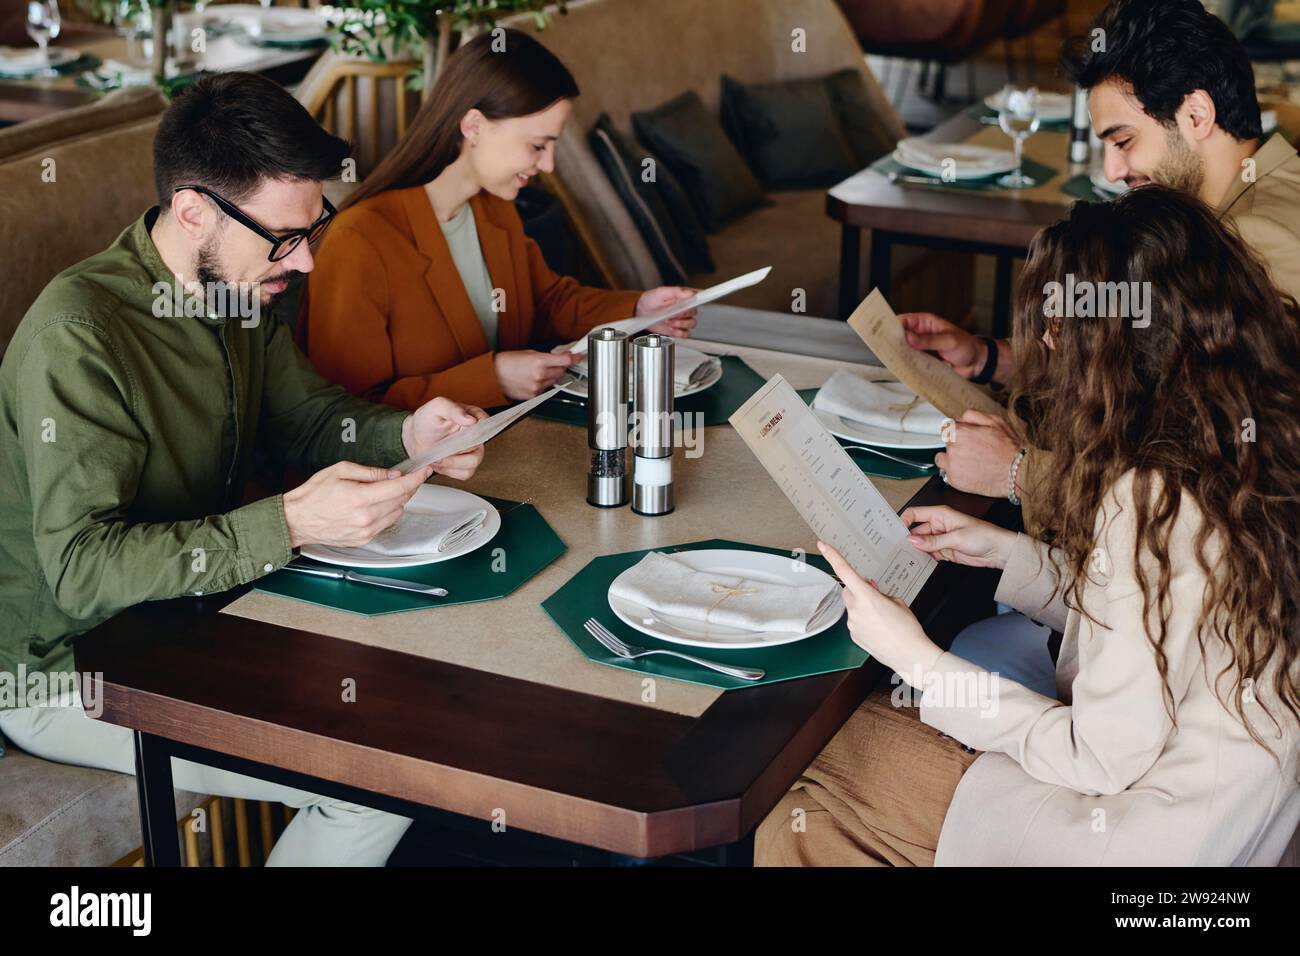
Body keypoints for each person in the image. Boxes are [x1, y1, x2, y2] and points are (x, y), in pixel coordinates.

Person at [0, 72, 489, 866]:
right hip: (69, 669)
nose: (304, 263)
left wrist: (407, 433)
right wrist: (291, 522)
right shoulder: (79, 335)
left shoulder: (235, 291)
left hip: (196, 619)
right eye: (284, 238)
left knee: (436, 686)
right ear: (194, 211)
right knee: (379, 777)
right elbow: (81, 573)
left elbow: (303, 420)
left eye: (312, 229)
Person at [756, 187, 1300, 866]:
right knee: (812, 803)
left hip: (1143, 836)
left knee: (804, 786)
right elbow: (1163, 622)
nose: (1046, 342)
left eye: (1060, 324)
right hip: (1246, 815)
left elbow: (1099, 755)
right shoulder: (1251, 441)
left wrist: (919, 661)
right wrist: (1013, 556)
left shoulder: (1151, 495)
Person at [904, 0, 1300, 507]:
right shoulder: (1228, 211)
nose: (1114, 171)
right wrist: (989, 359)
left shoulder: (1255, 248)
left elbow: (1223, 489)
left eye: (1124, 140)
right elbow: (1144, 362)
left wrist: (1020, 474)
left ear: (1197, 114)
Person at [302, 29, 697, 411]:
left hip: (504, 441)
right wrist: (491, 379)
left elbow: (547, 301)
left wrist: (641, 308)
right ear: (474, 126)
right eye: (537, 146)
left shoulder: (493, 207)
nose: (547, 165)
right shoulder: (359, 241)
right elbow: (345, 413)